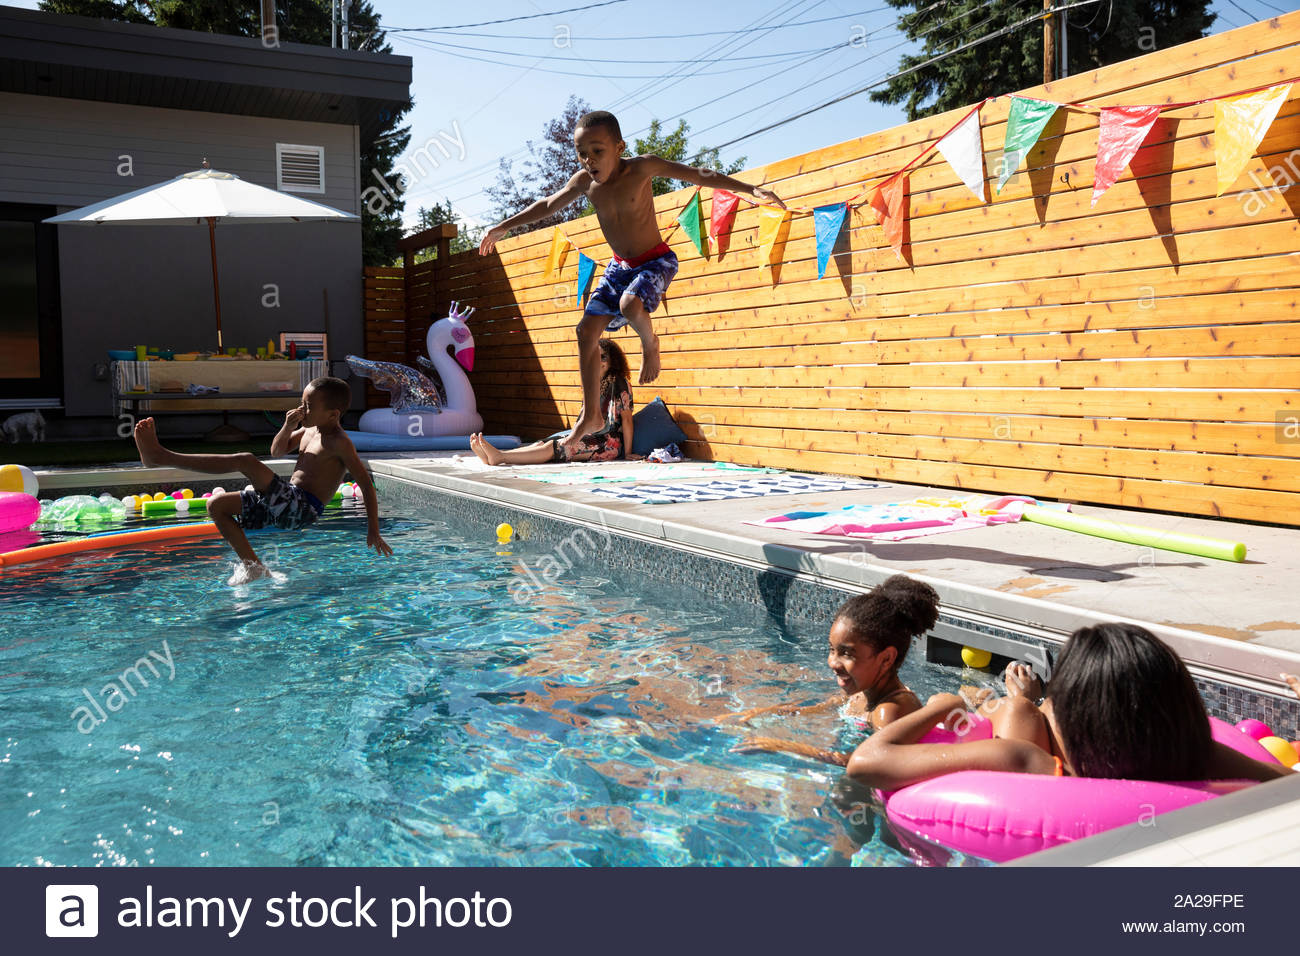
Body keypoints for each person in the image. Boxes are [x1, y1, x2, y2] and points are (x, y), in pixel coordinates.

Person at [479, 109, 785, 455]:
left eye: (597, 151)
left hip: (655, 260)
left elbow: (700, 175)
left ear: (620, 146)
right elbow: (548, 204)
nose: (589, 159)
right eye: (582, 153)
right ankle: (592, 414)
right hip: (619, 268)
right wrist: (503, 225)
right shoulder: (584, 183)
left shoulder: (643, 167)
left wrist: (748, 189)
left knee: (629, 303)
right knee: (585, 331)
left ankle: (650, 342)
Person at [846, 622, 1290, 790]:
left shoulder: (1023, 759)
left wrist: (939, 707)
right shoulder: (1191, 752)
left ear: (1080, 722)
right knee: (1017, 708)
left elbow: (865, 762)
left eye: (1057, 700)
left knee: (1014, 711)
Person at [132, 376, 392, 577]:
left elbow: (366, 484)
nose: (302, 410)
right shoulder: (309, 430)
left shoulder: (339, 442)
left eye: (308, 406)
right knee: (217, 506)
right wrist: (289, 426)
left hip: (302, 508)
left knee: (245, 460)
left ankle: (162, 457)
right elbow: (277, 450)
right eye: (302, 403)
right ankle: (253, 567)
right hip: (286, 503)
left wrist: (373, 530)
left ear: (333, 414)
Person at [728, 575, 940, 766]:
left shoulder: (888, 711)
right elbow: (821, 707)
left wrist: (784, 746)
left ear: (886, 658)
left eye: (847, 654)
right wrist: (766, 714)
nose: (833, 662)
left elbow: (873, 761)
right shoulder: (861, 692)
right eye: (831, 649)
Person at [470, 339, 637, 466]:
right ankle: (498, 454)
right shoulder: (593, 383)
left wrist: (627, 453)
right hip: (590, 436)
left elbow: (627, 419)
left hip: (607, 442)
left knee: (555, 447)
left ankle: (500, 457)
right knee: (544, 442)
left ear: (612, 362)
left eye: (603, 357)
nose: (597, 361)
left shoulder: (619, 382)